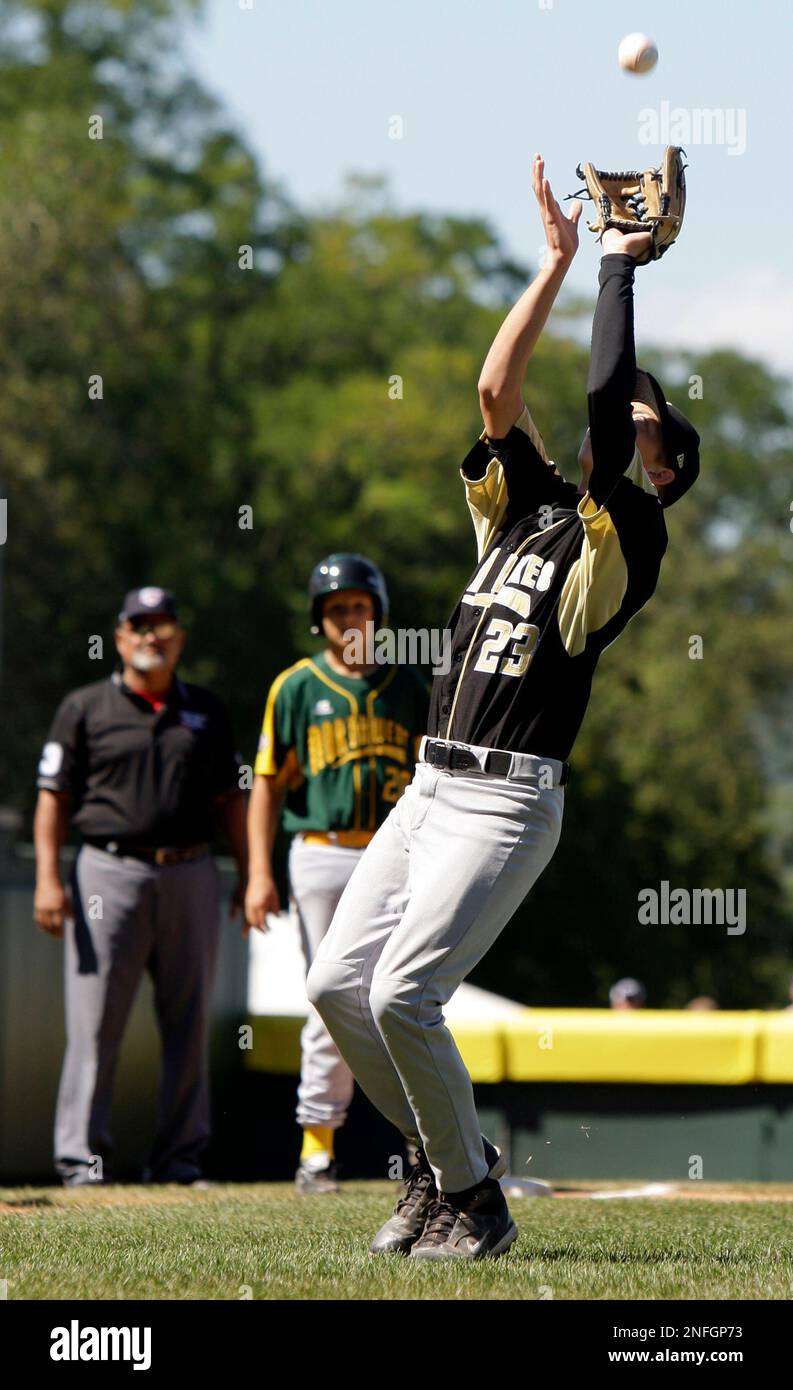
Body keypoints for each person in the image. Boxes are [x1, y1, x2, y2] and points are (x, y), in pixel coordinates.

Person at [306, 154, 701, 1260]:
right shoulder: (528, 511)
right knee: (337, 985)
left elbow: (600, 398)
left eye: (644, 425)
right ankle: (440, 1171)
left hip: (505, 805)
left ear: (661, 469)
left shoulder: (631, 536)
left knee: (402, 993)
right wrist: (556, 266)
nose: (624, 420)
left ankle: (474, 1201)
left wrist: (622, 271)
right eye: (626, 418)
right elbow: (494, 394)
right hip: (431, 784)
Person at [33, 586, 248, 1186]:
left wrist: (253, 874)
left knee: (190, 1022)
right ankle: (83, 1163)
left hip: (191, 870)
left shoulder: (205, 710)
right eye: (139, 625)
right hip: (107, 870)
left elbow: (233, 799)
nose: (151, 635)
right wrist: (48, 880)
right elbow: (53, 798)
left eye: (163, 626)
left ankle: (178, 1161)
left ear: (179, 638)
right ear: (121, 635)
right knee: (96, 1023)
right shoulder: (83, 707)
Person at [245, 555, 431, 1192]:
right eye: (336, 609)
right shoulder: (296, 687)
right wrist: (257, 874)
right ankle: (317, 1148)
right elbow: (266, 786)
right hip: (320, 852)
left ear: (378, 613)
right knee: (327, 999)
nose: (349, 617)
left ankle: (425, 1142)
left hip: (394, 852)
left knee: (402, 995)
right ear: (319, 620)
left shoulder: (410, 688)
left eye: (359, 606)